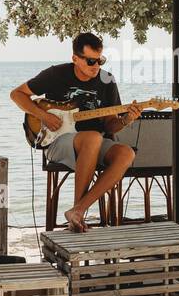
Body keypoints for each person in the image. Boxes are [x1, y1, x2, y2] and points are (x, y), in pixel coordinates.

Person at [10, 32, 140, 232]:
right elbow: (17, 94)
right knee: (93, 138)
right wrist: (43, 116)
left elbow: (110, 125)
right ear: (75, 59)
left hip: (93, 143)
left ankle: (78, 210)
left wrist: (126, 119)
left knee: (126, 153)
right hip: (57, 141)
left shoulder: (107, 81)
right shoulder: (56, 74)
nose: (96, 66)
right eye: (90, 61)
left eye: (100, 61)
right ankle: (77, 216)